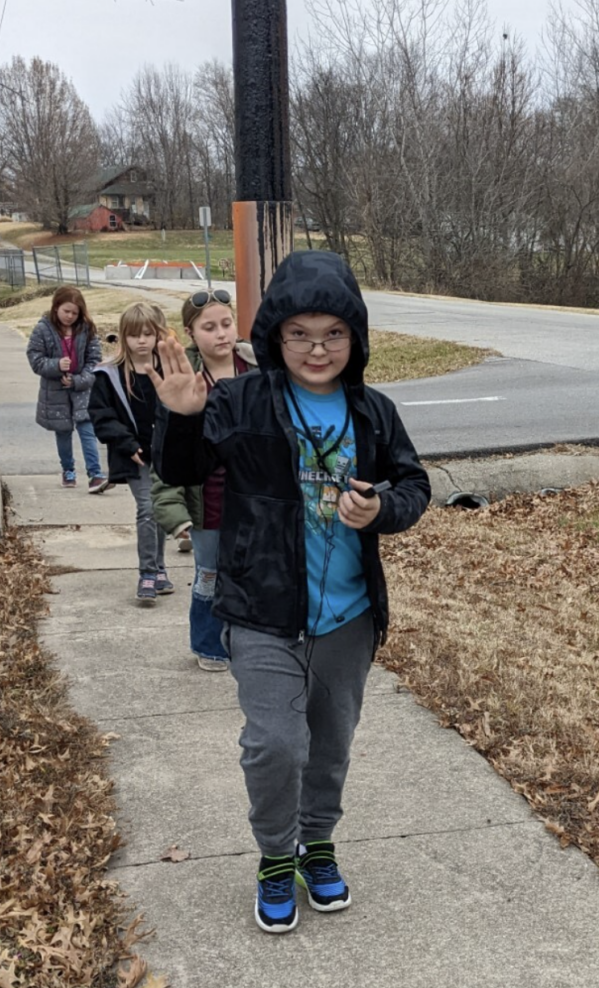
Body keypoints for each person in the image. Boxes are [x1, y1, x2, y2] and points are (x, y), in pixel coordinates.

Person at [150, 251, 431, 934]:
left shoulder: (372, 411)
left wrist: (382, 511)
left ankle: (318, 844)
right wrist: (183, 418)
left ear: (355, 338)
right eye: (300, 332)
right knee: (277, 744)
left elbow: (414, 485)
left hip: (349, 616)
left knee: (330, 745)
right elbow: (185, 470)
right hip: (262, 610)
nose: (316, 348)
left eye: (333, 333)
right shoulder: (242, 400)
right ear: (275, 333)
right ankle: (277, 855)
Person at [152, 289, 255, 671]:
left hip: (253, 500)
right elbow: (166, 458)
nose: (221, 334)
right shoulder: (184, 381)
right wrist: (174, 515)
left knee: (250, 575)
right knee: (209, 577)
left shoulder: (256, 370)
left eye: (226, 324)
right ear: (191, 333)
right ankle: (209, 645)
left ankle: (248, 641)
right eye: (209, 327)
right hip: (208, 506)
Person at [88, 302, 175, 603]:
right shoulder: (109, 375)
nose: (141, 341)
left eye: (148, 334)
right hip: (136, 455)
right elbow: (101, 416)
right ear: (123, 337)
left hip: (167, 453)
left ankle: (161, 568)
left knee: (161, 510)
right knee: (147, 509)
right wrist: (127, 444)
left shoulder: (169, 369)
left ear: (157, 335)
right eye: (134, 335)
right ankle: (148, 574)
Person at [26, 286, 109, 492]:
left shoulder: (87, 329)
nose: (70, 316)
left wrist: (79, 380)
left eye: (75, 313)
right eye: (66, 311)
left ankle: (95, 474)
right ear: (56, 308)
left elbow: (94, 361)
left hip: (81, 390)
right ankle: (68, 470)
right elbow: (35, 359)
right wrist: (55, 365)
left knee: (87, 430)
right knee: (63, 432)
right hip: (55, 391)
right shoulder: (42, 329)